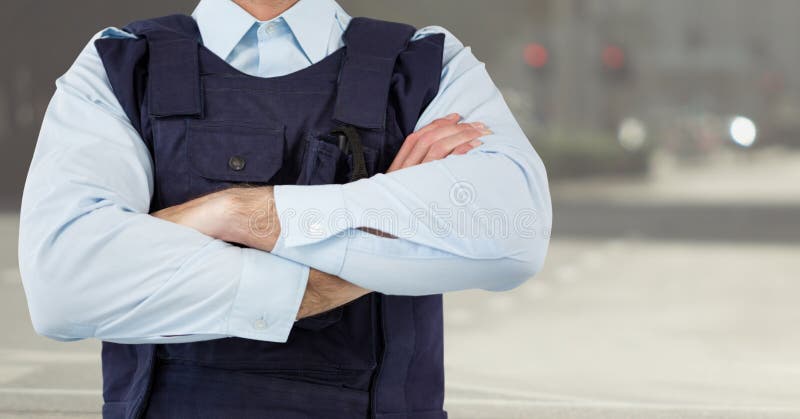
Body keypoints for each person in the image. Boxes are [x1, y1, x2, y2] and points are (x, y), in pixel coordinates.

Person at [18, 0, 552, 417]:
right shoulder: (122, 62)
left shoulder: (425, 63)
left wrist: (237, 212)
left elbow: (515, 231)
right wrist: (388, 231)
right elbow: (63, 287)